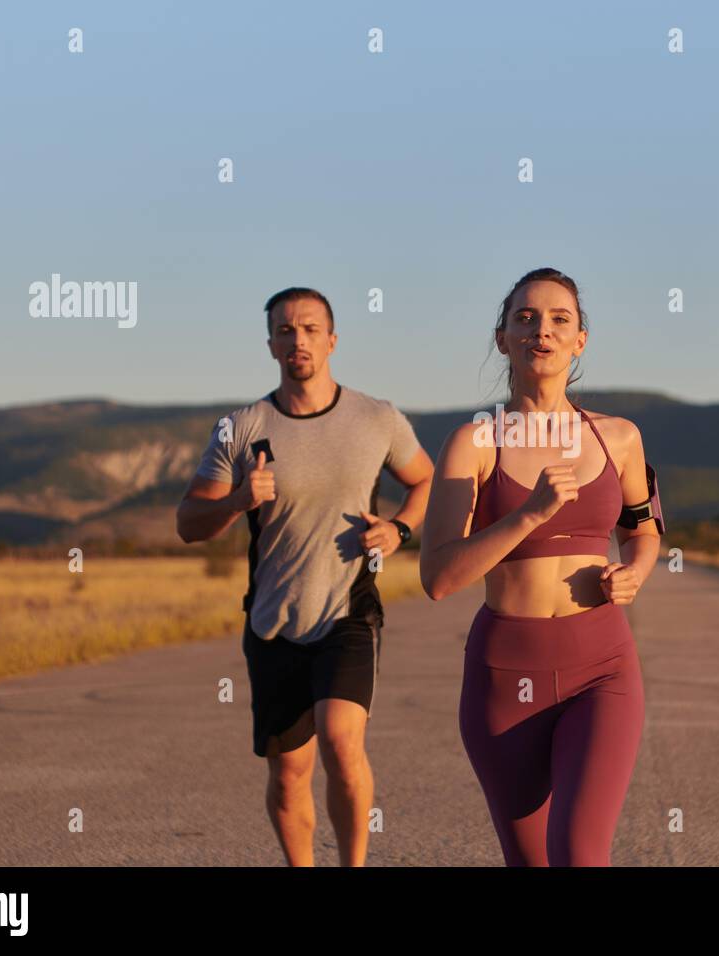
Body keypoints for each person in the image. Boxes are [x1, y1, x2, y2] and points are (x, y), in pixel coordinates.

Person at [176, 286, 433, 866]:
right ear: (270, 344)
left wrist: (399, 530)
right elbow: (189, 522)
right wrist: (238, 499)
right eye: (286, 331)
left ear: (333, 340)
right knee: (290, 772)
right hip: (273, 621)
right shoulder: (240, 428)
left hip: (348, 610)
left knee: (342, 741)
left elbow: (425, 480)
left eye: (311, 329)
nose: (299, 340)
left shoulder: (377, 418)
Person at [419, 267, 662, 866]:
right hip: (505, 674)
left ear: (581, 340)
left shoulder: (620, 438)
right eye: (525, 318)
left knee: (579, 853)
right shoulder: (474, 443)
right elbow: (438, 578)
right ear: (501, 337)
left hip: (602, 665)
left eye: (559, 319)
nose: (541, 331)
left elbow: (645, 533)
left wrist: (635, 571)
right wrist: (527, 515)